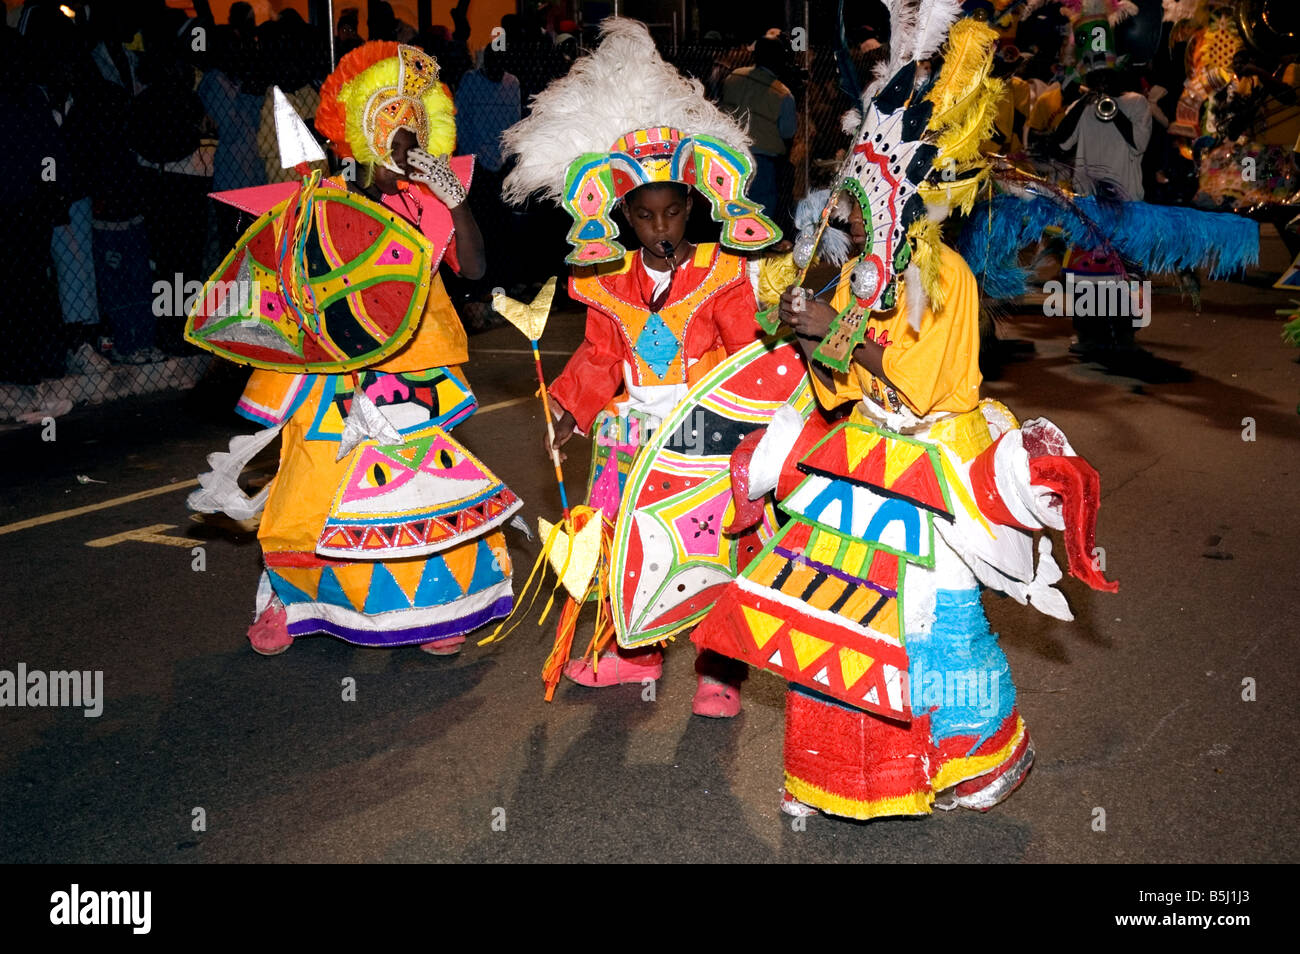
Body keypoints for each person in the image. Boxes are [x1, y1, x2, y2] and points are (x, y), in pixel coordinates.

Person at [692, 7, 1118, 822]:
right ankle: (831, 772)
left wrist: (838, 340)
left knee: (939, 627)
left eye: (861, 203)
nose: (847, 217)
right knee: (828, 616)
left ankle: (979, 754)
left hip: (935, 466)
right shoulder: (863, 272)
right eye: (851, 201)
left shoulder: (945, 274)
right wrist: (811, 337)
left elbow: (929, 387)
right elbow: (844, 386)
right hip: (866, 461)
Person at [190, 42, 515, 657]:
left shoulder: (427, 200)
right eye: (392, 130)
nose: (407, 145)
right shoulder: (324, 195)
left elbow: (473, 266)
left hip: (412, 369)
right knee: (311, 479)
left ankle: (436, 606)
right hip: (328, 368)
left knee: (415, 486)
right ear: (360, 134)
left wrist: (455, 199)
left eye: (416, 130)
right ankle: (292, 599)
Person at [500, 18, 787, 714]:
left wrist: (756, 427)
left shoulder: (721, 275)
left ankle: (720, 672)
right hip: (630, 442)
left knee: (713, 555)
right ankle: (633, 654)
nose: (661, 229)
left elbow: (746, 355)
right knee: (629, 547)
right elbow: (601, 357)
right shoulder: (607, 284)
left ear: (691, 205)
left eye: (672, 213)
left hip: (705, 442)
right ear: (625, 215)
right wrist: (569, 411)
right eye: (646, 216)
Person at [720, 35, 796, 229]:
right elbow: (788, 133)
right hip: (762, 162)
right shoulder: (782, 94)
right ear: (780, 59)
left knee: (730, 209)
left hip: (730, 154)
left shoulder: (734, 77)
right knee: (760, 217)